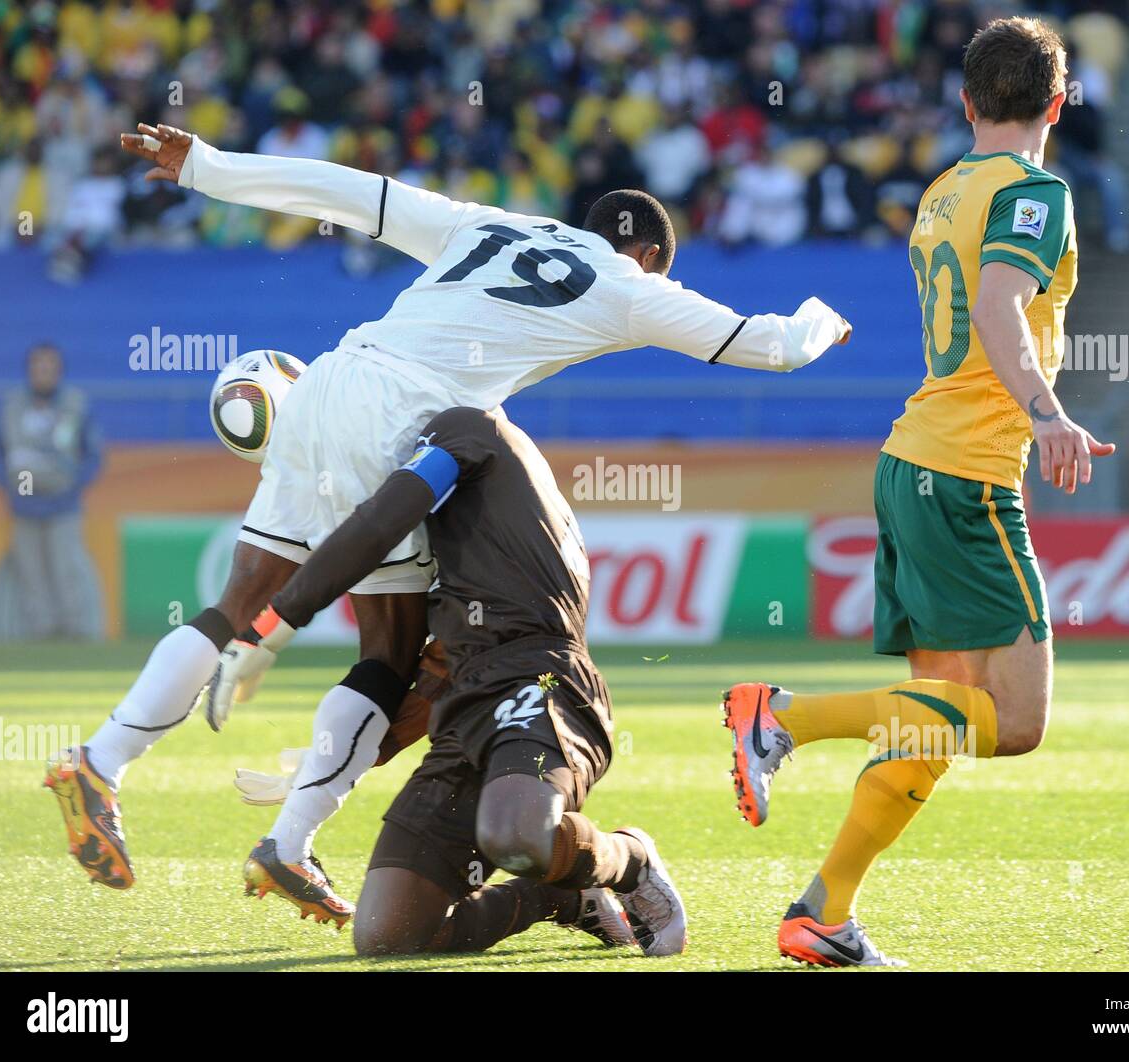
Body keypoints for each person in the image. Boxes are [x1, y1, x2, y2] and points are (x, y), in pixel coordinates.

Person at [45, 121, 851, 907]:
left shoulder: (492, 226)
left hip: (326, 379)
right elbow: (769, 343)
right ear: (648, 255)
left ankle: (102, 758)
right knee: (391, 650)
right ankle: (287, 844)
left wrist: (209, 168)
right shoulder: (629, 285)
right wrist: (827, 319)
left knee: (236, 601)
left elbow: (355, 193)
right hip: (403, 418)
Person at [721, 17, 1115, 967]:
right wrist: (1047, 412)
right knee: (1015, 724)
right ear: (1058, 104)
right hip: (968, 476)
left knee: (934, 717)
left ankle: (822, 912)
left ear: (969, 103)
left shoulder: (942, 190)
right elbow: (995, 307)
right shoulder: (1035, 191)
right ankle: (782, 717)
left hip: (913, 464)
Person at [236, 405, 687, 956]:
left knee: (518, 835)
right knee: (389, 935)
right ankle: (564, 898)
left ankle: (630, 860)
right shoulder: (467, 501)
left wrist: (275, 623)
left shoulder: (470, 428)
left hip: (540, 679)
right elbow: (440, 664)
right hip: (467, 705)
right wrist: (331, 764)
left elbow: (378, 524)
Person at [0, 343, 104, 641]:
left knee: (67, 570)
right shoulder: (11, 406)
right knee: (31, 574)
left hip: (63, 507)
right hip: (23, 507)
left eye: (49, 367)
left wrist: (74, 487)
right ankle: (41, 635)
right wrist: (10, 488)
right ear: (29, 371)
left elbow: (93, 454)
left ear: (58, 371)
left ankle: (76, 635)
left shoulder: (75, 405)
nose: (43, 373)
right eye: (38, 367)